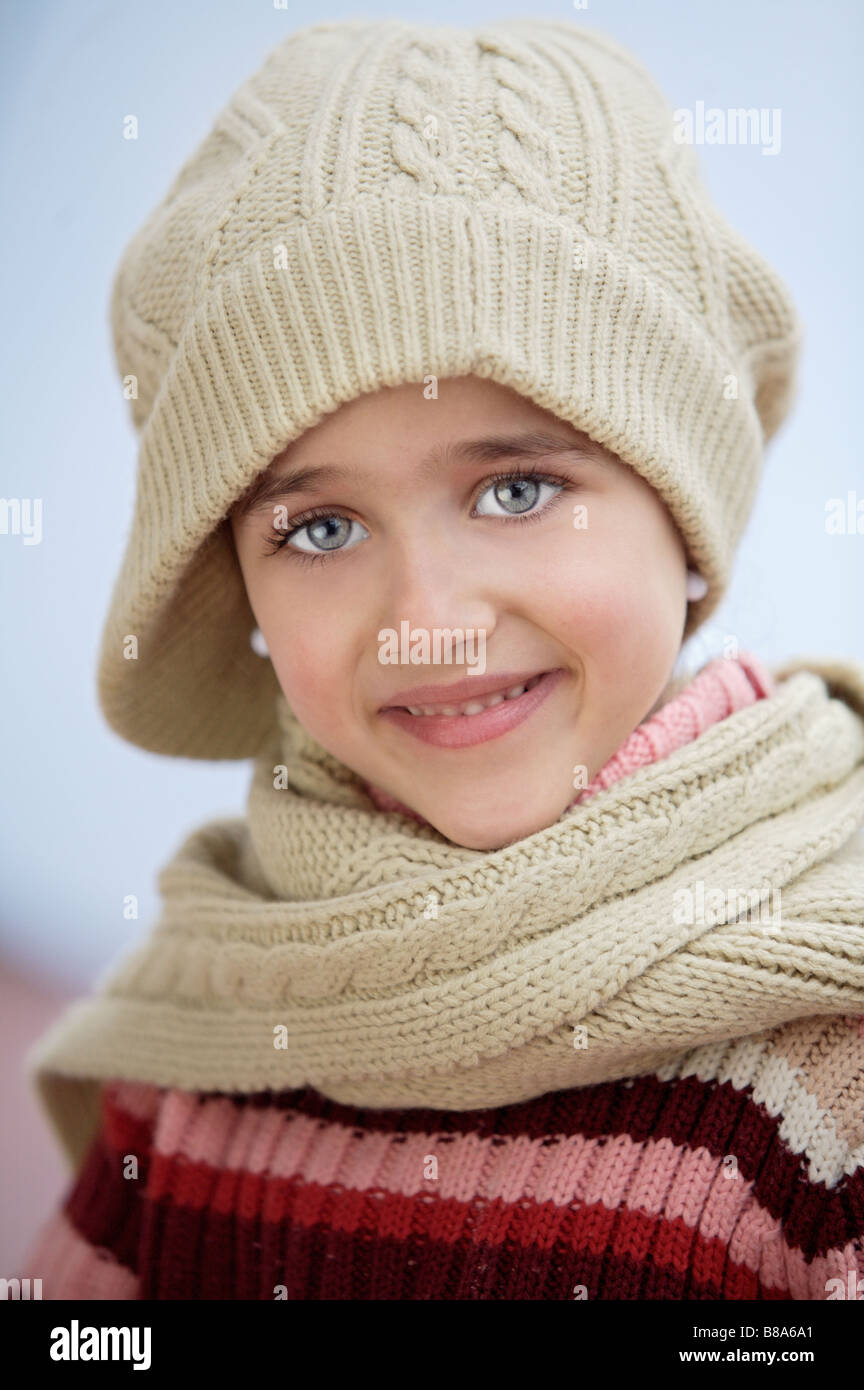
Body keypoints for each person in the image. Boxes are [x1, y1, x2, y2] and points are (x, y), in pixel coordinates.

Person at [17, 17, 864, 1300]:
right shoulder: (215, 1028)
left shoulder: (828, 1052)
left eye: (517, 489)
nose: (426, 616)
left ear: (686, 508)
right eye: (321, 526)